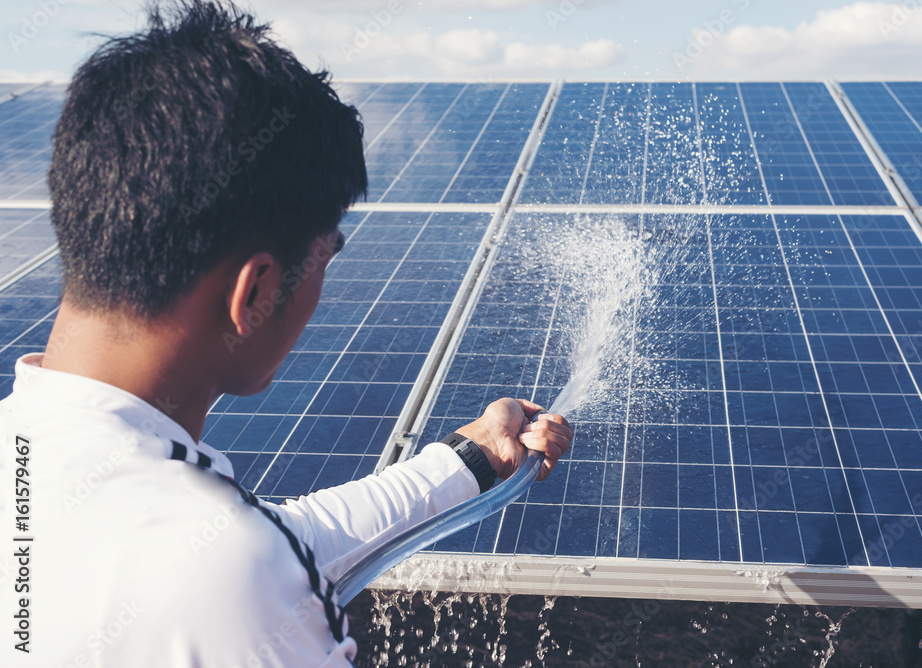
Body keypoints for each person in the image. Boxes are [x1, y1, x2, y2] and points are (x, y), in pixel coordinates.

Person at [0, 2, 572, 666]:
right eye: (324, 261)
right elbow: (240, 569)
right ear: (257, 291)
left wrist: (473, 457)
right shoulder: (222, 581)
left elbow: (269, 545)